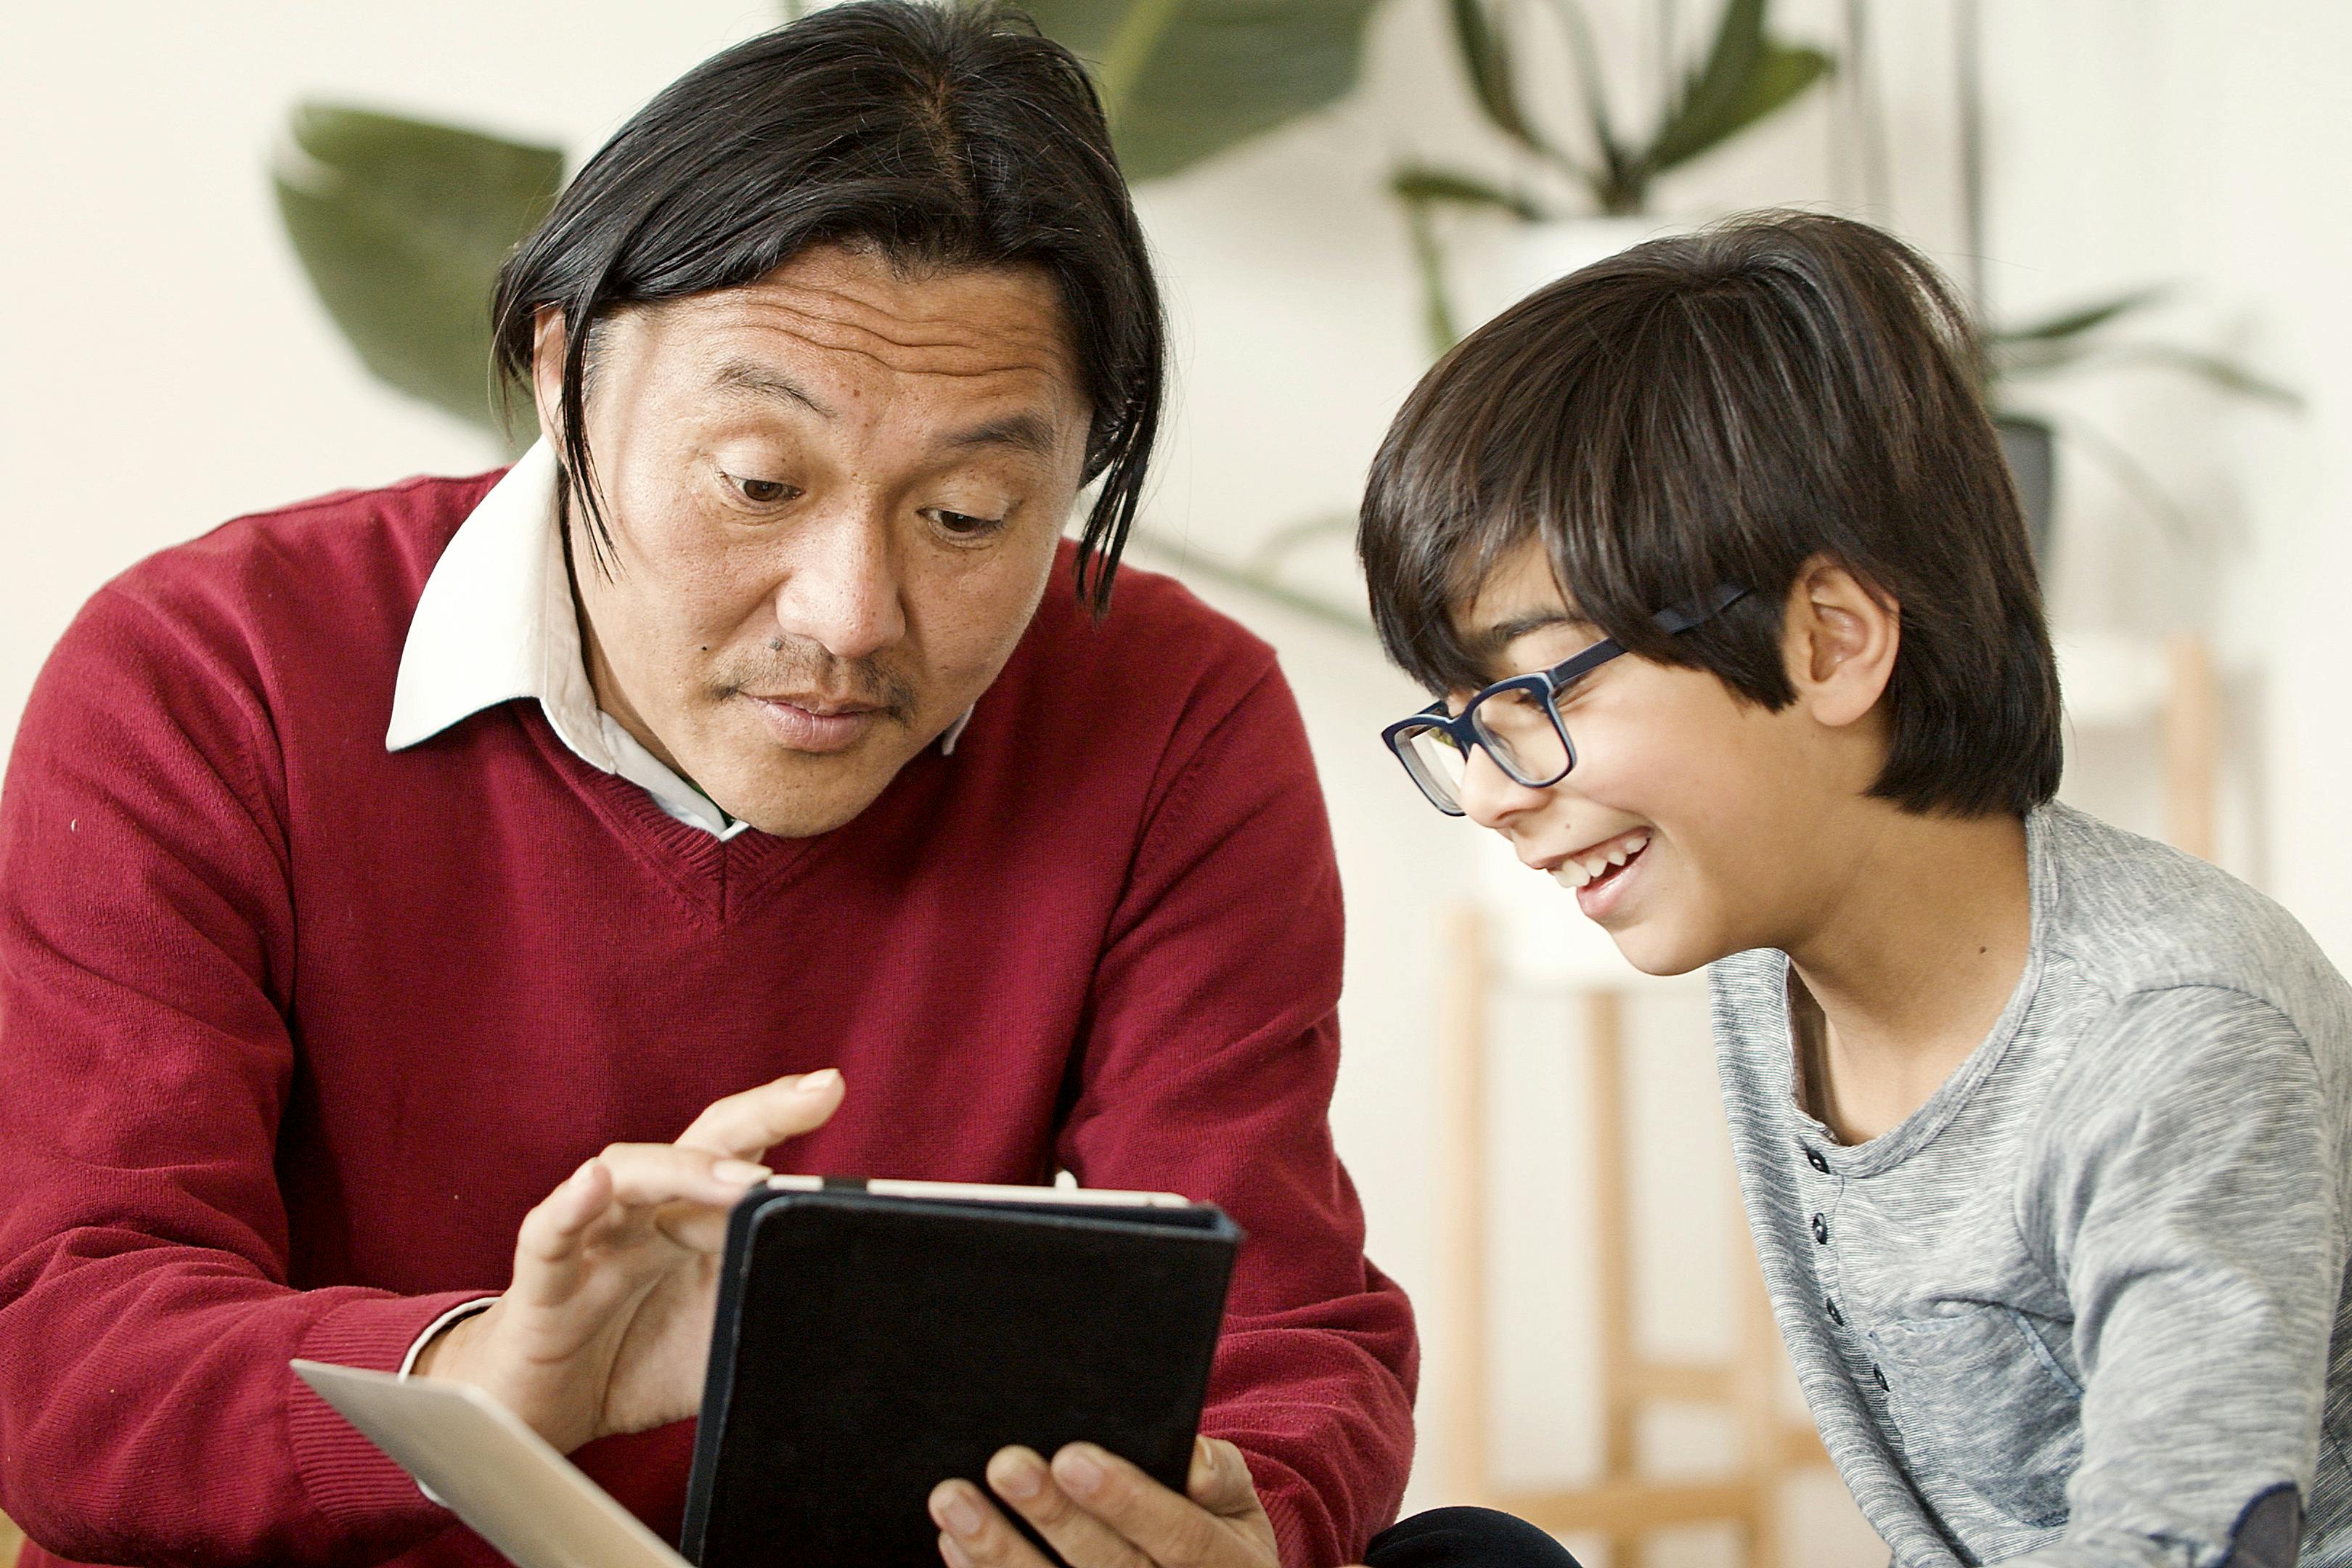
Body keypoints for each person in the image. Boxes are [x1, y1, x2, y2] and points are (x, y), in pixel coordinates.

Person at [0, 7, 1419, 1567]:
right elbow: (61, 1341)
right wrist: (479, 1378)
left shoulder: (1168, 714)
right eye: (760, 482)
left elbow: (1279, 1336)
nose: (849, 615)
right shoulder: (216, 673)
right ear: (563, 370)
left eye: (966, 515)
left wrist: (1243, 1527)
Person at [1351, 211, 2352, 1567]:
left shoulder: (2171, 1037)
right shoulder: (1771, 972)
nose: (1489, 792)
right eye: (1460, 722)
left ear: (1829, 641)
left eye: (1536, 693)